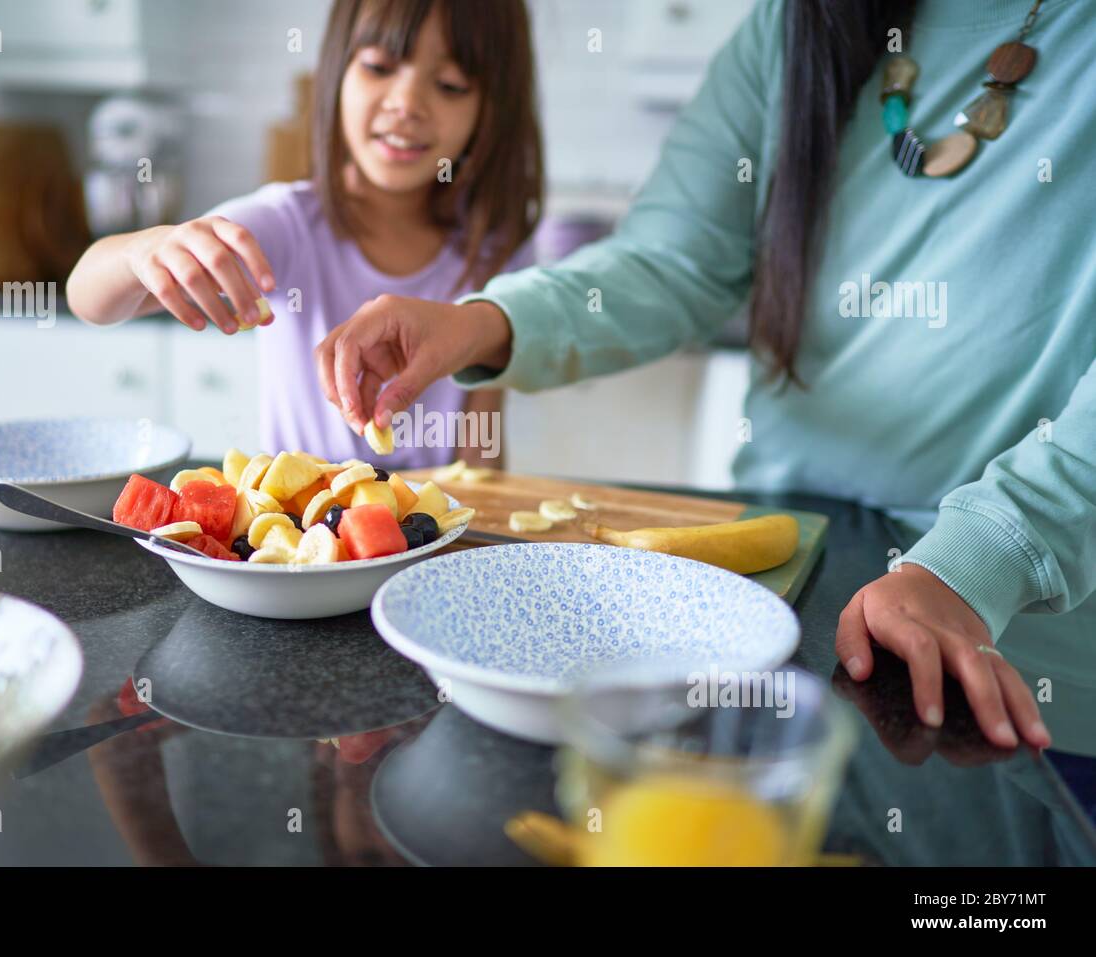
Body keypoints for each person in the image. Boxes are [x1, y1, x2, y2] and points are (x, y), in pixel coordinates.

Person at [315, 0, 1096, 750]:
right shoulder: (796, 23)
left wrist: (974, 566)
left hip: (1031, 656)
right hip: (792, 578)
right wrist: (477, 322)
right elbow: (674, 260)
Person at [67, 0, 541, 468]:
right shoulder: (286, 224)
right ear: (337, 71)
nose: (407, 104)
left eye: (450, 85)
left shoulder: (496, 246)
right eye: (378, 66)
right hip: (303, 534)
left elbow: (482, 447)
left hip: (434, 528)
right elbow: (89, 300)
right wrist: (140, 252)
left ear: (491, 108)